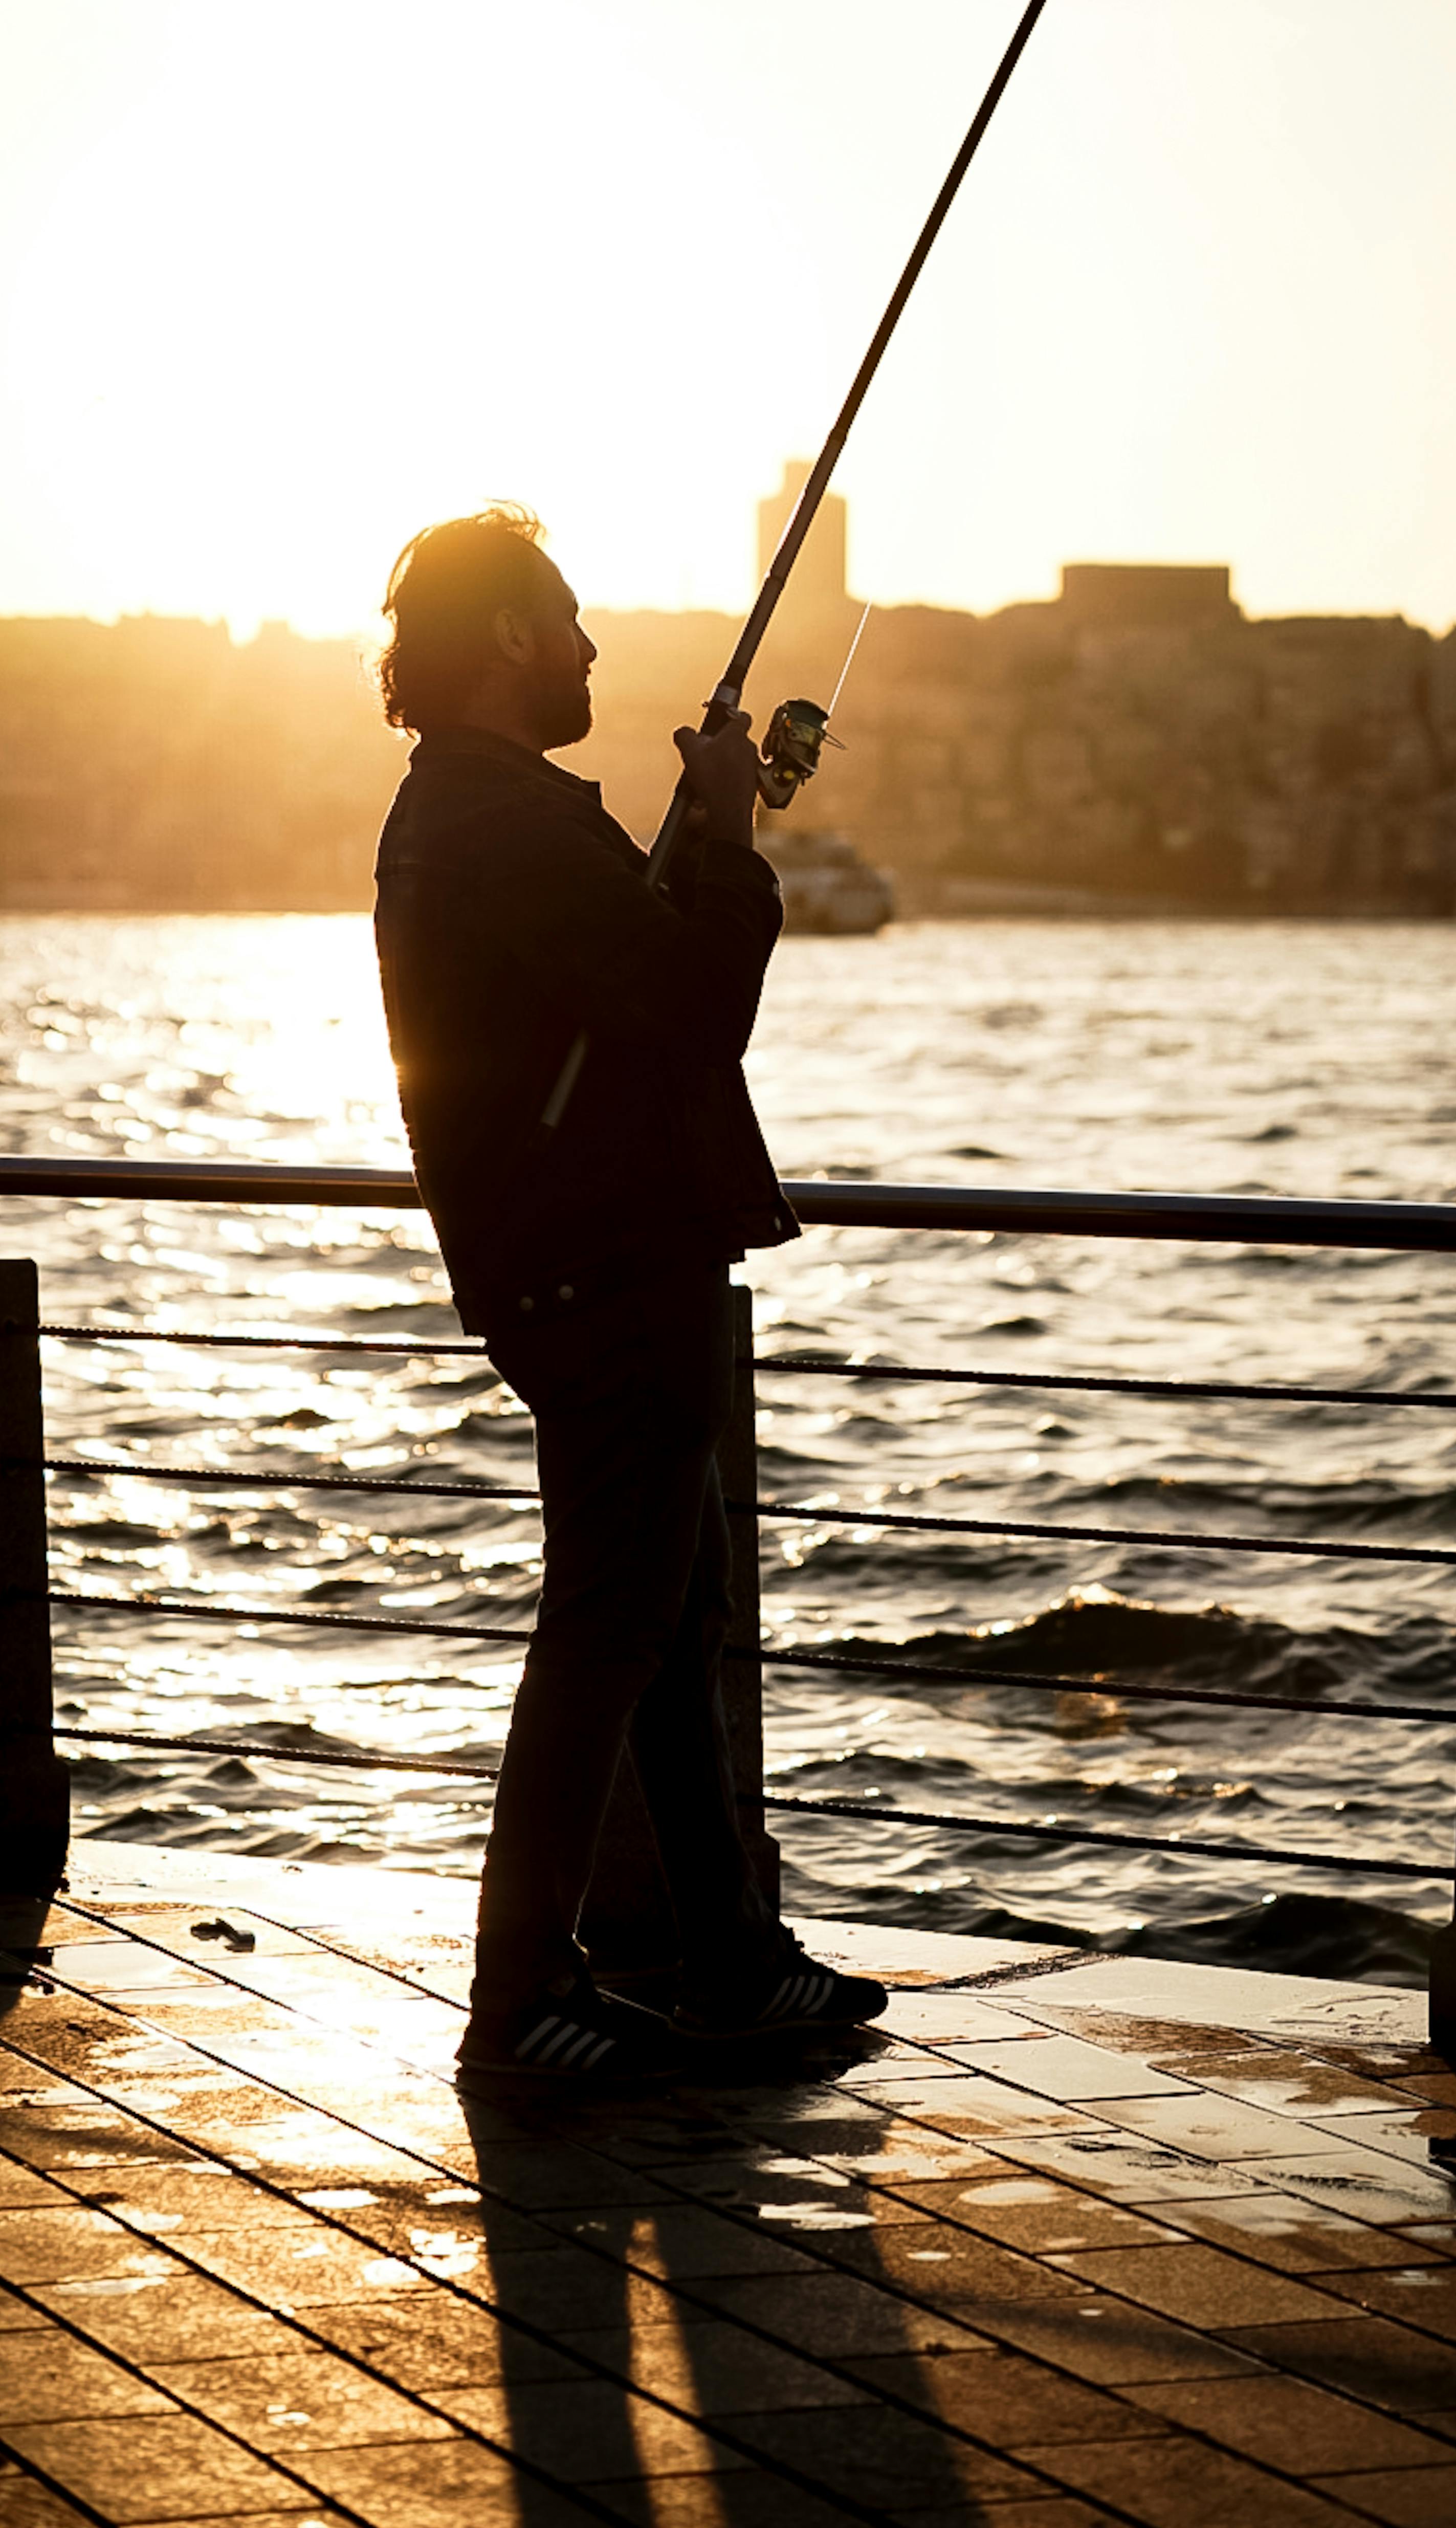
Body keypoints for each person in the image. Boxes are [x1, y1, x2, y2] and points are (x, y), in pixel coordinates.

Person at [373, 507, 887, 2079]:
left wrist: (689, 827)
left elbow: (620, 980)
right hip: (604, 1268)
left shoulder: (471, 817)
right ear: (515, 640)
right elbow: (689, 1005)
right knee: (610, 1625)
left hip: (577, 1261)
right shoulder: (499, 824)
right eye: (572, 621)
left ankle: (726, 1952)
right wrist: (730, 831)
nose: (594, 649)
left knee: (664, 1611)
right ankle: (518, 1996)